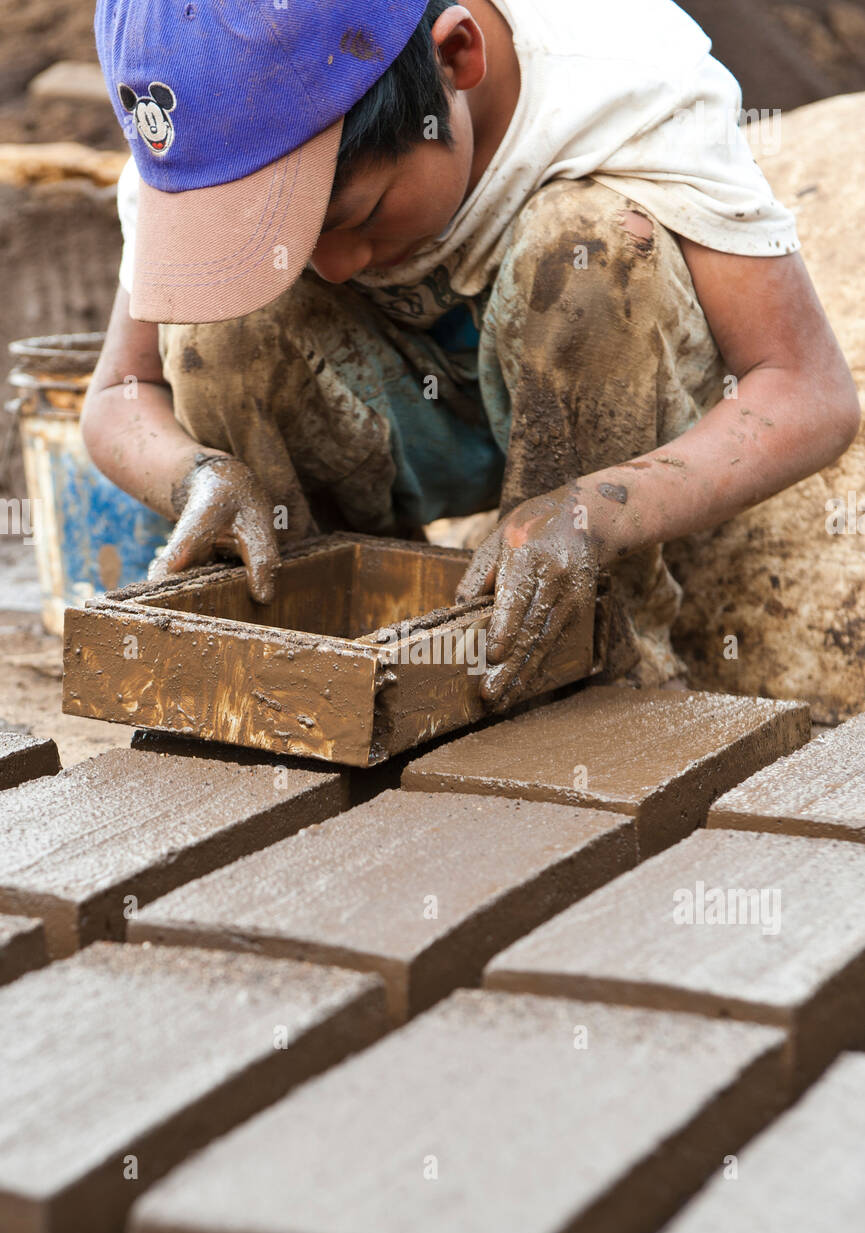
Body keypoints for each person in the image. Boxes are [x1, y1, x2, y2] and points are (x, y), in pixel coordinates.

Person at [83, 0, 859, 710]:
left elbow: (805, 391)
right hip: (389, 424)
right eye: (289, 241)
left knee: (586, 251)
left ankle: (588, 675)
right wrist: (194, 474)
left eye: (360, 215)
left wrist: (594, 514)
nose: (336, 267)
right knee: (219, 328)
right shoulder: (200, 154)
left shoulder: (624, 74)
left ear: (455, 58)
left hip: (602, 411)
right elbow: (122, 390)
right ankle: (332, 668)